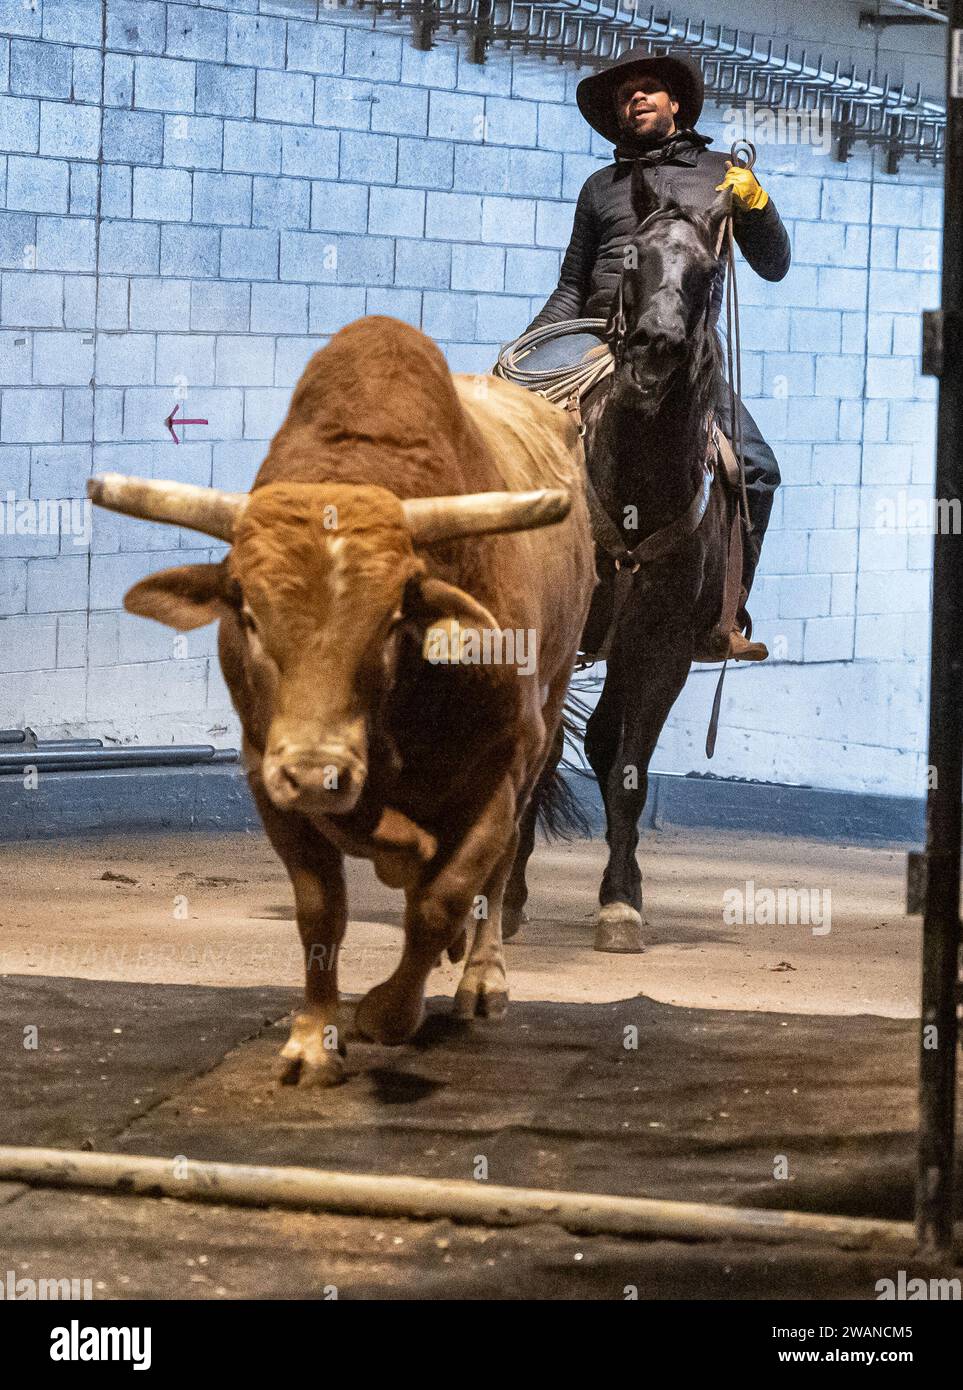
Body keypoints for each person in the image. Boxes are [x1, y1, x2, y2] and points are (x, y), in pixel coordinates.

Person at [525, 49, 791, 660]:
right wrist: (522, 354)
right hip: (597, 340)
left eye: (649, 90)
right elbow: (572, 285)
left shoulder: (722, 173)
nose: (635, 99)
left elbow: (774, 265)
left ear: (676, 103)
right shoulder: (600, 188)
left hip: (686, 356)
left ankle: (723, 615)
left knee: (755, 467)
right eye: (626, 95)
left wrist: (758, 205)